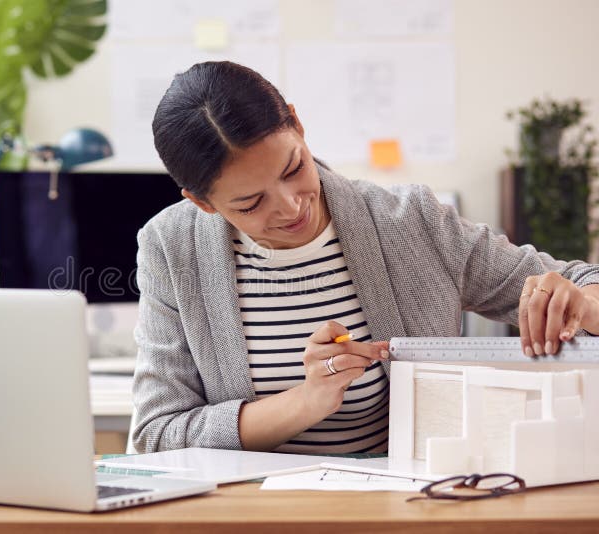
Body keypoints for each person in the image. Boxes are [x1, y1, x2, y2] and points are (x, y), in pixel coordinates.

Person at [131, 60, 599, 455]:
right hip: (249, 515)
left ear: (297, 123)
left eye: (294, 168)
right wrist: (307, 401)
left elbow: (586, 278)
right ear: (203, 203)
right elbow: (157, 435)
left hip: (403, 509)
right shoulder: (172, 247)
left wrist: (578, 301)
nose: (291, 206)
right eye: (250, 204)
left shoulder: (410, 221)